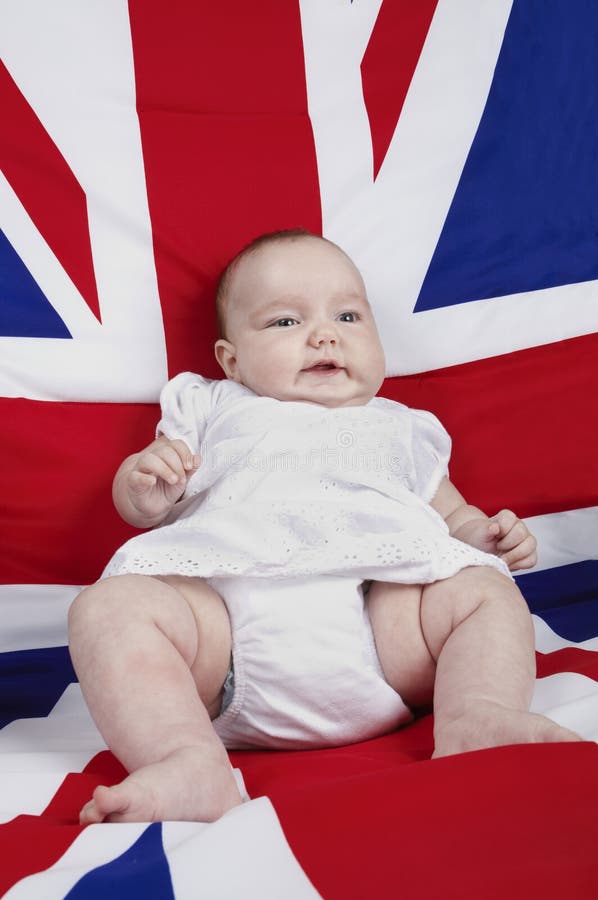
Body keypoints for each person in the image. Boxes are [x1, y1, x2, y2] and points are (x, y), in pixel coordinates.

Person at [68, 229, 579, 826]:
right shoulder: (212, 407)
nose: (324, 334)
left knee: (481, 588)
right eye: (285, 322)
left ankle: (476, 716)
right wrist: (143, 485)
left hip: (385, 639)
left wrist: (481, 538)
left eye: (347, 315)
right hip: (224, 645)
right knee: (106, 608)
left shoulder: (401, 428)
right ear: (231, 360)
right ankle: (188, 760)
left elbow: (453, 516)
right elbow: (148, 500)